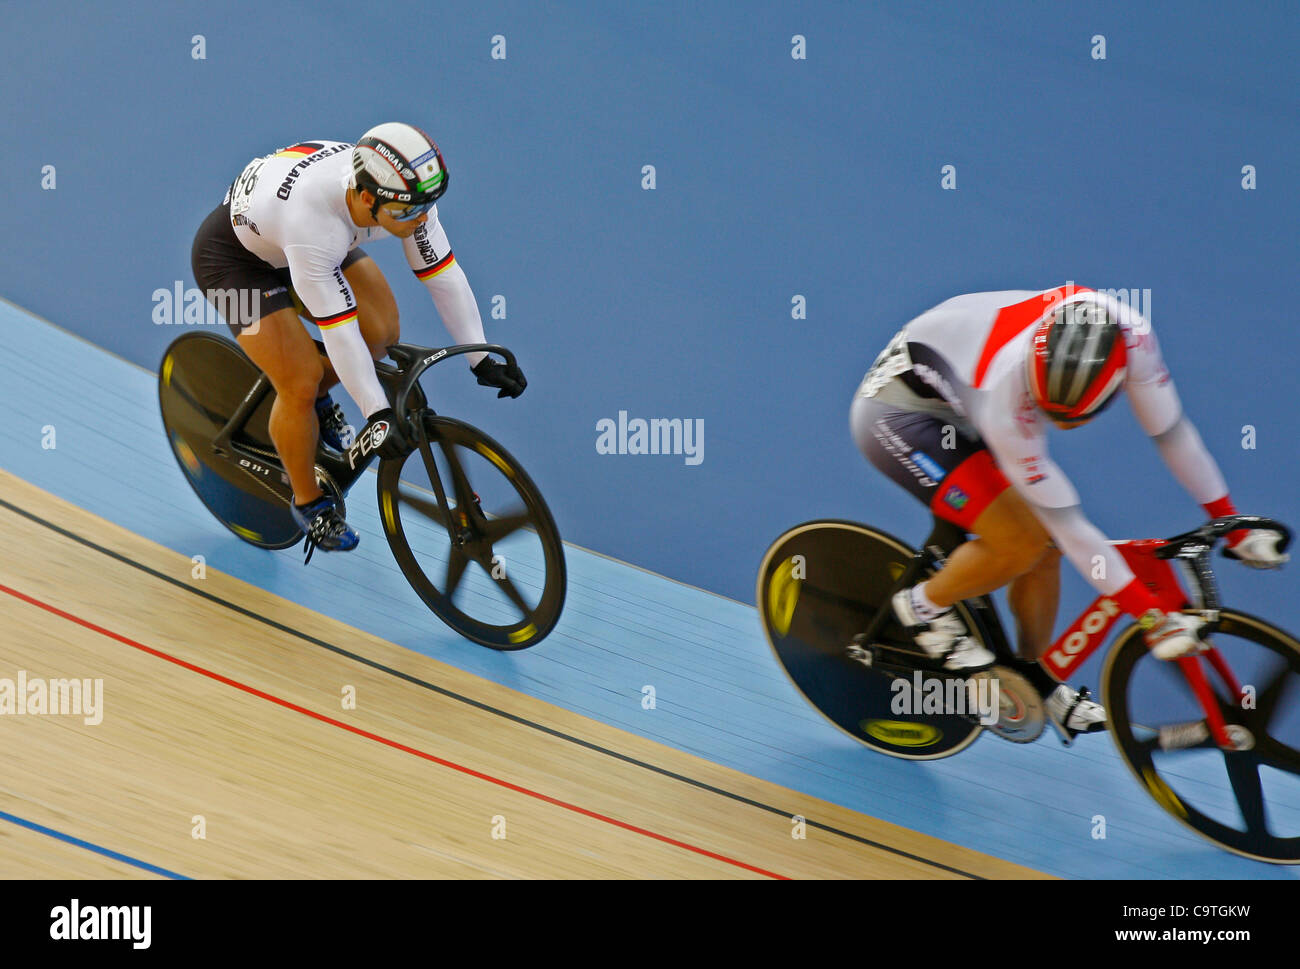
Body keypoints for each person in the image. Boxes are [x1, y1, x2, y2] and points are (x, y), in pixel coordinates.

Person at [851, 285, 1287, 738]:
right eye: (1048, 410)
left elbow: (1172, 435)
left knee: (1047, 547)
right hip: (901, 412)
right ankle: (922, 608)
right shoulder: (1005, 389)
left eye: (1072, 419)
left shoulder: (1134, 339)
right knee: (1021, 540)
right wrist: (1152, 617)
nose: (1057, 424)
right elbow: (1070, 524)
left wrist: (1228, 520)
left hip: (964, 387)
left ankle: (1032, 675)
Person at [190, 123, 526, 560]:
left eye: (427, 208)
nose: (421, 219)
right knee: (301, 381)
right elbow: (339, 329)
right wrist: (377, 411)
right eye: (408, 214)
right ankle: (309, 504)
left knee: (382, 332)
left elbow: (443, 275)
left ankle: (318, 400)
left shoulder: (406, 195)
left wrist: (480, 357)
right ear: (367, 198)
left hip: (302, 239)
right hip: (238, 263)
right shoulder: (316, 223)